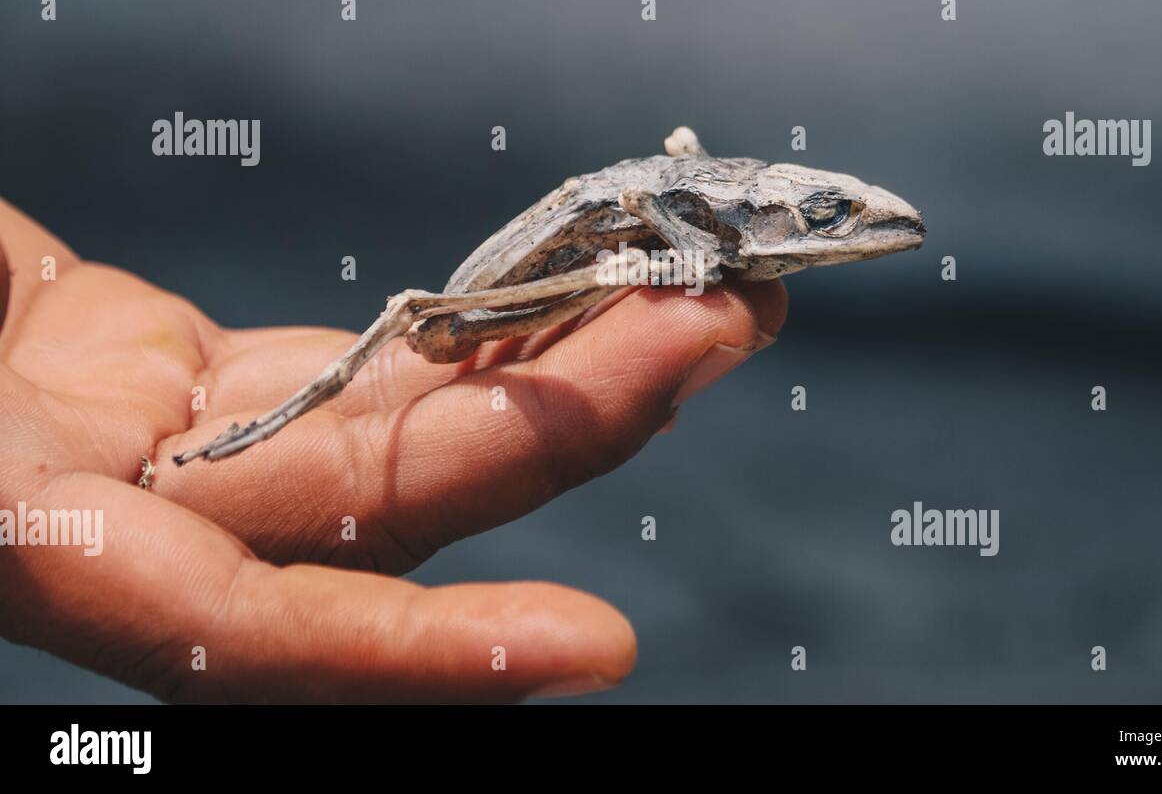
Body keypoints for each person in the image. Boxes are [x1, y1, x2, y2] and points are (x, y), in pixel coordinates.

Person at [0, 198, 784, 702]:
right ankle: (268, 424)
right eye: (824, 216)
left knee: (642, 304)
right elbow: (642, 208)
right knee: (472, 305)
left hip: (539, 280)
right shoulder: (675, 216)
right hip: (466, 315)